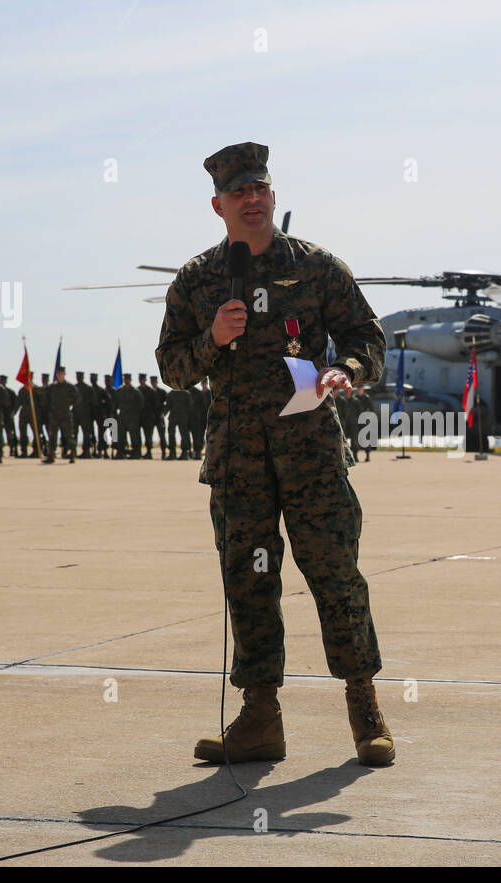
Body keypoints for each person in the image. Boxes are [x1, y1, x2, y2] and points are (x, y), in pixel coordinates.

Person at [155, 141, 392, 766]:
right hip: (238, 461)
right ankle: (261, 718)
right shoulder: (198, 279)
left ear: (273, 195)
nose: (252, 199)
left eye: (260, 188)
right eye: (239, 193)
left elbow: (367, 336)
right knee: (250, 584)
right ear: (218, 205)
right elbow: (171, 367)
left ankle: (364, 707)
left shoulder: (317, 268)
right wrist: (212, 339)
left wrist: (345, 368)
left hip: (311, 452)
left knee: (336, 575)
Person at [42, 367, 78, 464]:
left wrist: (69, 403)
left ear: (64, 374)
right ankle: (51, 456)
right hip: (54, 415)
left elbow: (77, 398)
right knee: (52, 436)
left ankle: (73, 455)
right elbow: (43, 390)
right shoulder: (53, 386)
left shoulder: (70, 386)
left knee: (68, 436)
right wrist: (33, 387)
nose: (59, 375)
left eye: (61, 373)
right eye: (58, 374)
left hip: (65, 414)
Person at [113, 373, 143, 458]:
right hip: (122, 416)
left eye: (127, 379)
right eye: (125, 379)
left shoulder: (135, 391)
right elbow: (115, 403)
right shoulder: (120, 391)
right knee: (121, 436)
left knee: (134, 436)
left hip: (132, 417)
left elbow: (141, 404)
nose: (126, 381)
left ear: (130, 380)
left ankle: (136, 453)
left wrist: (136, 414)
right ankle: (120, 453)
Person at [166, 383, 193, 459]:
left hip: (183, 417)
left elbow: (190, 406)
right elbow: (167, 406)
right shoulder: (171, 394)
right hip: (173, 417)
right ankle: (172, 453)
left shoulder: (186, 394)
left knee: (184, 435)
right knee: (171, 434)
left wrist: (188, 417)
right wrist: (163, 415)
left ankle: (185, 453)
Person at [148, 375, 169, 460]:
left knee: (162, 435)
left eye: (154, 382)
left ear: (156, 382)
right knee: (149, 435)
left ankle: (163, 451)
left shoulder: (162, 392)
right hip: (150, 417)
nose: (153, 383)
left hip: (159, 416)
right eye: (152, 382)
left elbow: (167, 404)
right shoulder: (148, 392)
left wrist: (164, 413)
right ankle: (149, 452)